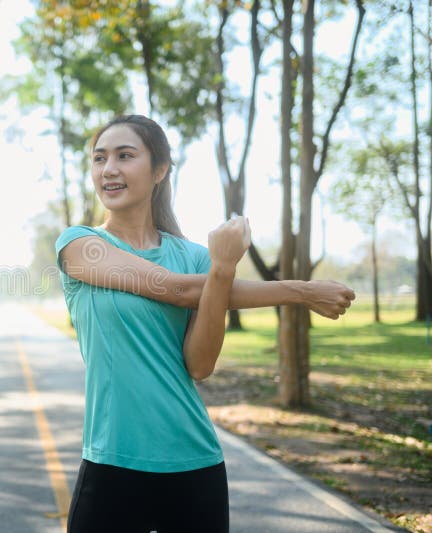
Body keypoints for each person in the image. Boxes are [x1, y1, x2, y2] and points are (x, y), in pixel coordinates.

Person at [54, 114, 355, 532]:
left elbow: (199, 365)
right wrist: (301, 291)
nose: (109, 169)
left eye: (125, 156)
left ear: (159, 170)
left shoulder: (196, 258)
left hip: (194, 462)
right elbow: (177, 290)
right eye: (99, 158)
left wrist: (222, 269)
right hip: (111, 461)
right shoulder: (81, 245)